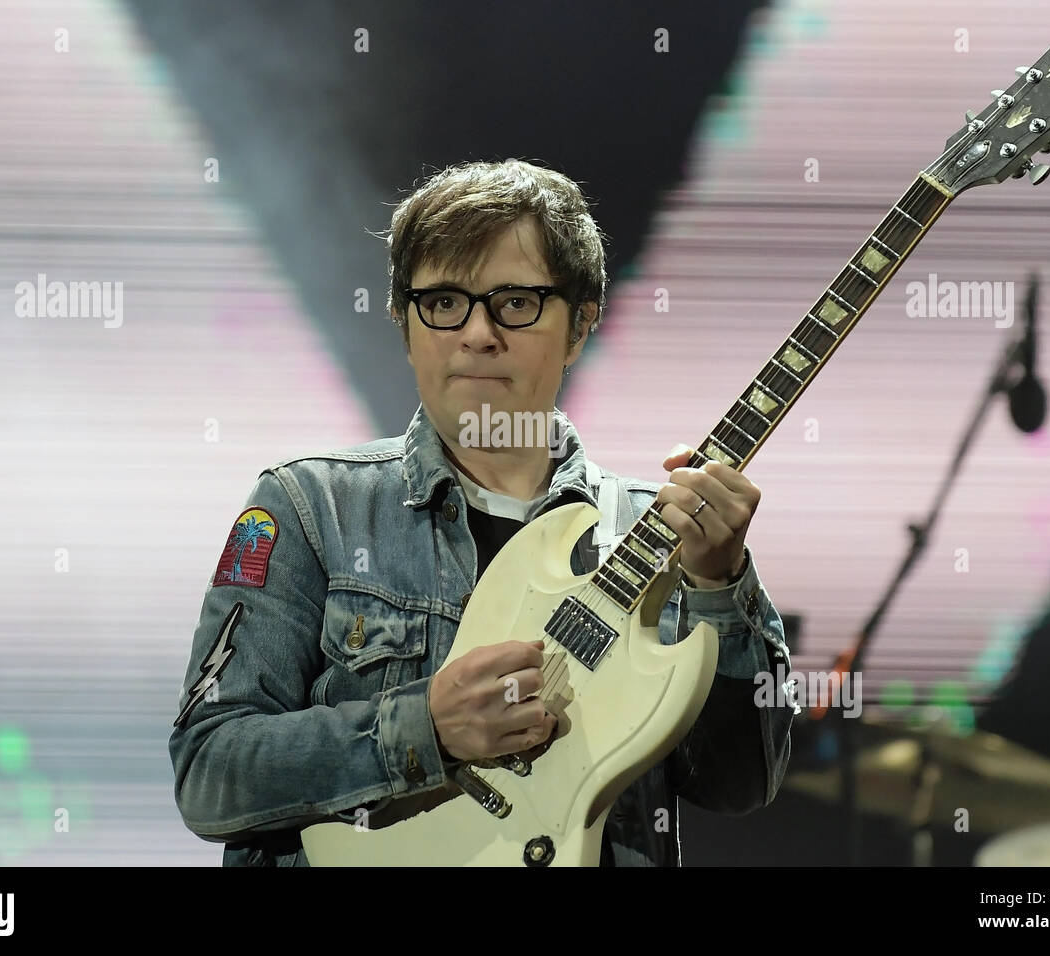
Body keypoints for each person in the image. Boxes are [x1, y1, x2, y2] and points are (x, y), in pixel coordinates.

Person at [168, 158, 796, 866]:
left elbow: (741, 784)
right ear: (405, 323)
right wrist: (423, 728)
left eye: (516, 301)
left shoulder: (670, 532)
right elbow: (209, 773)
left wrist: (718, 584)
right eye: (443, 302)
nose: (477, 333)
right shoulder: (310, 508)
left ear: (582, 323)